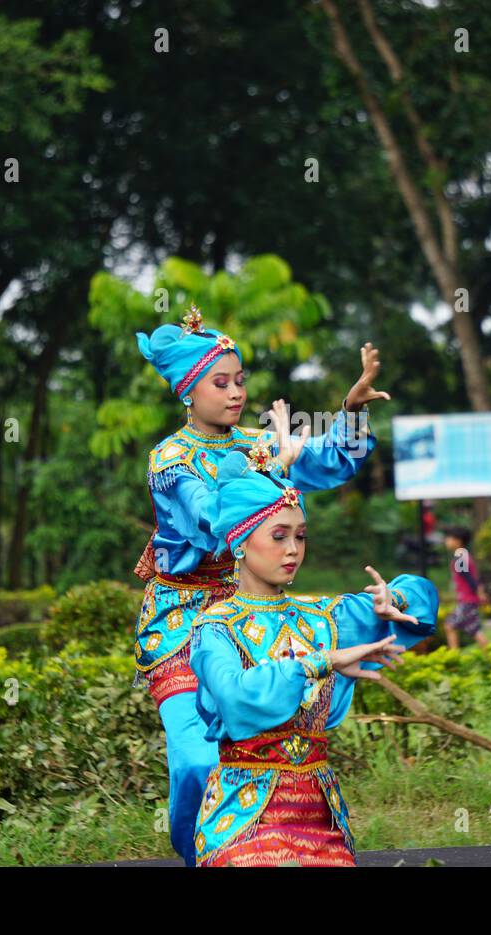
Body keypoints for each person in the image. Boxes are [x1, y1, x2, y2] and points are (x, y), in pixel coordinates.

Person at [132, 304, 389, 865]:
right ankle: (197, 853)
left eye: (240, 381)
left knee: (269, 745)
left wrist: (348, 411)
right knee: (198, 763)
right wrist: (272, 469)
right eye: (219, 383)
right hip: (185, 622)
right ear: (187, 392)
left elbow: (329, 462)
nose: (235, 393)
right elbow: (213, 523)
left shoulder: (258, 442)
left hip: (258, 612)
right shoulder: (171, 460)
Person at [189, 443, 438, 865]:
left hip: (319, 814)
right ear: (240, 543)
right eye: (279, 536)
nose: (293, 550)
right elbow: (236, 697)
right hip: (243, 818)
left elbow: (422, 598)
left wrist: (392, 597)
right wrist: (322, 662)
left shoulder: (323, 618)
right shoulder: (215, 627)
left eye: (300, 536)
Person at [443, 525, 489, 650]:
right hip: (469, 600)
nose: (446, 541)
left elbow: (469, 578)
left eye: (449, 538)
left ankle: (454, 658)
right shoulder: (463, 555)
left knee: (450, 626)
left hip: (467, 601)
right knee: (474, 630)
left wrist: (479, 593)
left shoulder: (460, 556)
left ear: (458, 541)